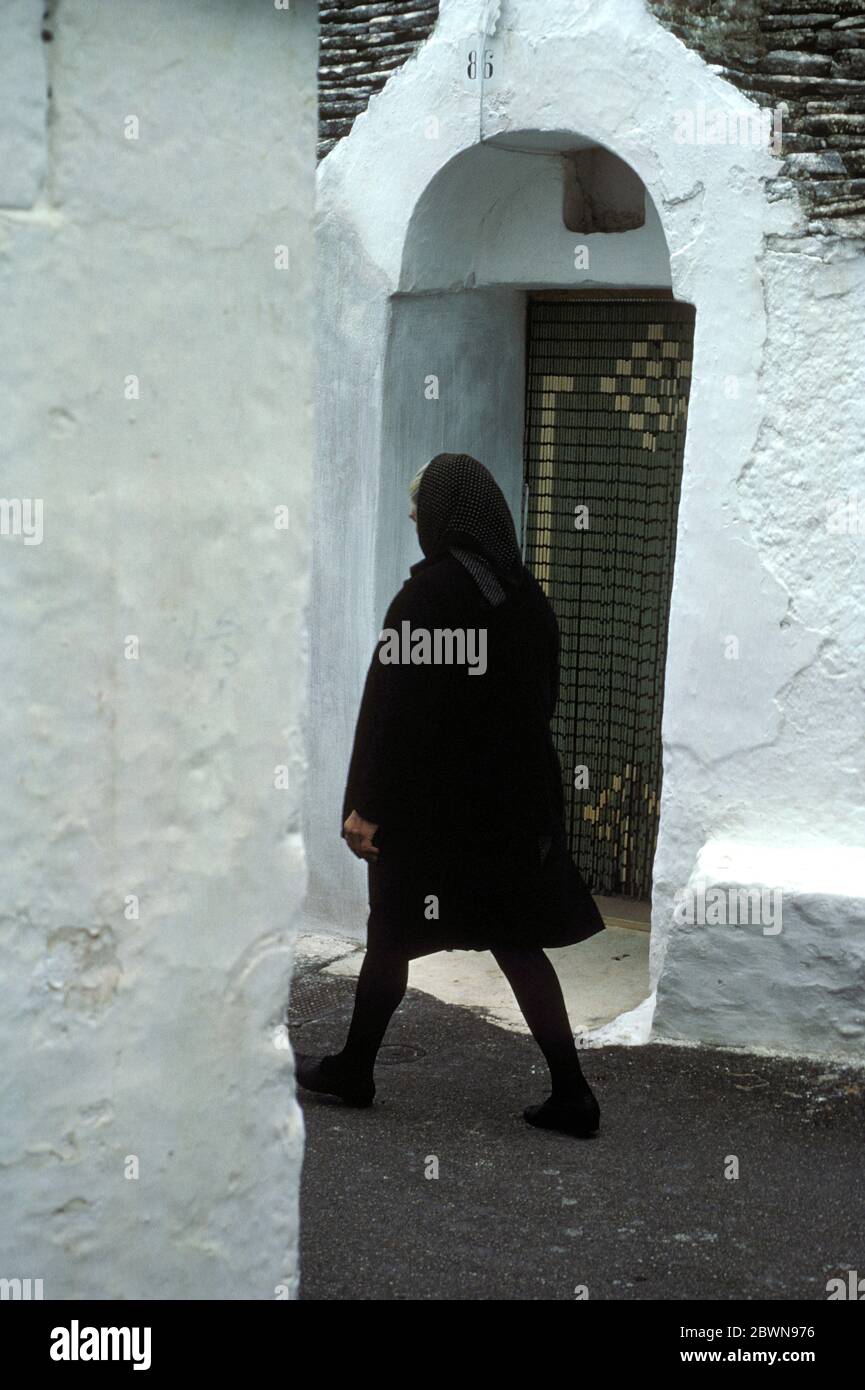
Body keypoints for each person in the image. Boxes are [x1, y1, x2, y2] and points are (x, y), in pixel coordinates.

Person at [295, 453, 606, 1137]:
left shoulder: (430, 596)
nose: (413, 518)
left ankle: (354, 1069)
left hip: (433, 811)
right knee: (515, 940)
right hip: (510, 808)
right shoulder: (525, 597)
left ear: (445, 515)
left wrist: (366, 804)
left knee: (390, 934)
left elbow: (395, 714)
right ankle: (572, 1091)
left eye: (419, 508)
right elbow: (540, 702)